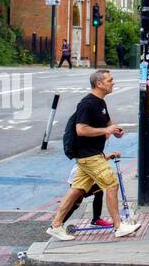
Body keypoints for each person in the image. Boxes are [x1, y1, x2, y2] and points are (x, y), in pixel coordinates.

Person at [47, 70, 140, 240]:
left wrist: (114, 128)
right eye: (110, 80)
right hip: (89, 155)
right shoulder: (87, 103)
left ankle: (56, 225)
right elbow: (81, 129)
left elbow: (106, 122)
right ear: (99, 83)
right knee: (111, 185)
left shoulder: (100, 102)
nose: (113, 83)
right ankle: (119, 226)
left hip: (92, 154)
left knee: (77, 190)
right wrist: (106, 130)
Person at [66, 151, 116, 228]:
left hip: (83, 178)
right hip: (78, 179)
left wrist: (111, 156)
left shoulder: (95, 147)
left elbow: (100, 159)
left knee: (98, 191)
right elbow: (94, 161)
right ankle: (58, 224)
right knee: (75, 204)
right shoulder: (91, 147)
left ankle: (96, 220)